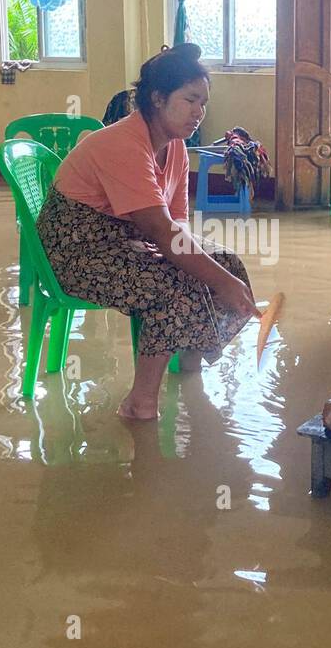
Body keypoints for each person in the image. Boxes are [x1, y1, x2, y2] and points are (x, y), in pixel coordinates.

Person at [36, 43, 258, 420]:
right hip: (75, 253)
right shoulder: (122, 143)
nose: (199, 112)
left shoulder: (176, 148)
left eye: (203, 103)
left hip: (126, 240)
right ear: (157, 98)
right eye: (190, 100)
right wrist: (212, 279)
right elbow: (160, 228)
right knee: (170, 285)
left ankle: (191, 364)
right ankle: (141, 402)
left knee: (226, 262)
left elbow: (177, 222)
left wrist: (213, 271)